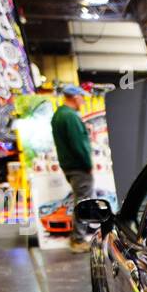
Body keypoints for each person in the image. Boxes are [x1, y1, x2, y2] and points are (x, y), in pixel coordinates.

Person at [52, 84, 94, 253]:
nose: (83, 101)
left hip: (69, 166)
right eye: (82, 98)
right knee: (83, 202)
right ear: (75, 97)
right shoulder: (70, 116)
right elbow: (78, 144)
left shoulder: (59, 115)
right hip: (78, 166)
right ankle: (78, 239)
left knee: (80, 199)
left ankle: (78, 237)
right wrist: (88, 164)